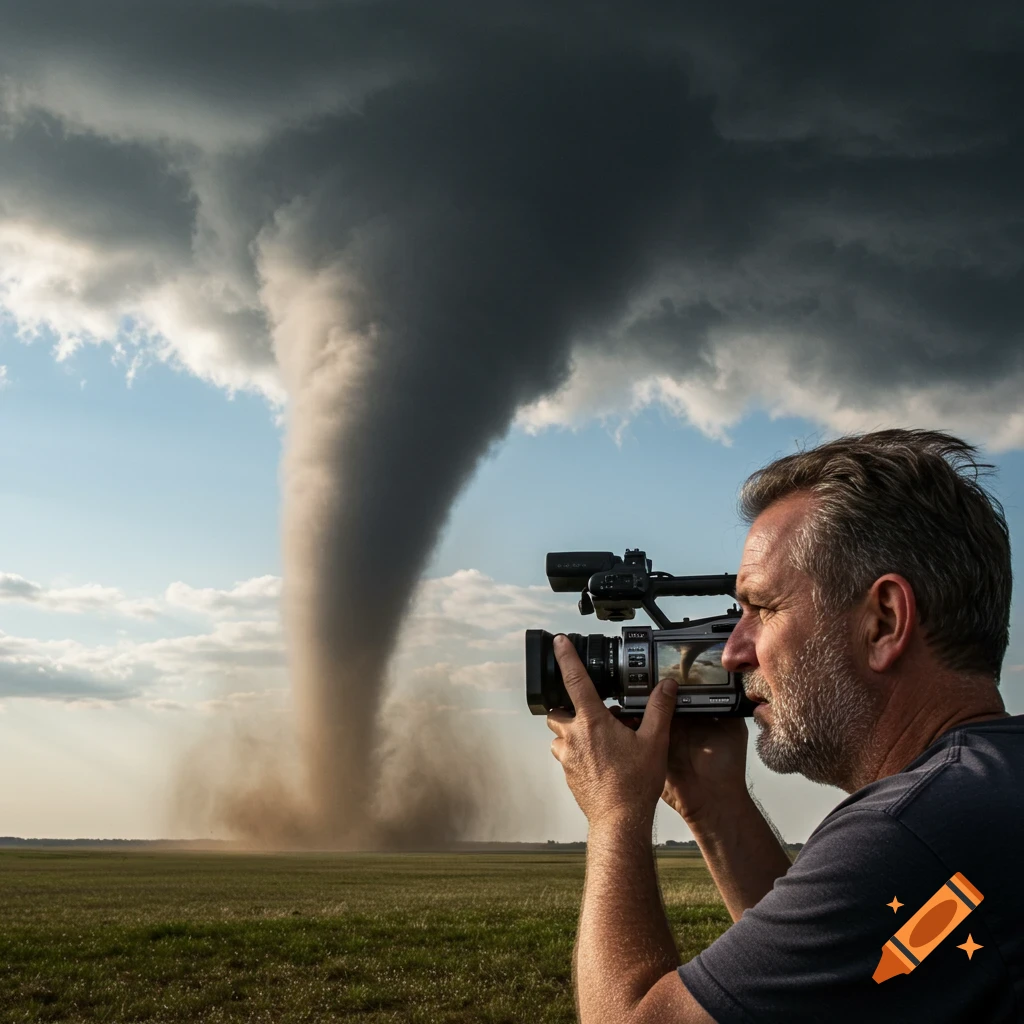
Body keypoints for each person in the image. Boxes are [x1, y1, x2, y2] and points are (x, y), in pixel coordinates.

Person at [547, 428, 1022, 1023]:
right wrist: (714, 806)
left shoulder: (909, 834)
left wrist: (616, 812)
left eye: (762, 610)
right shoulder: (982, 799)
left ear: (884, 621)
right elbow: (827, 984)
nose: (731, 652)